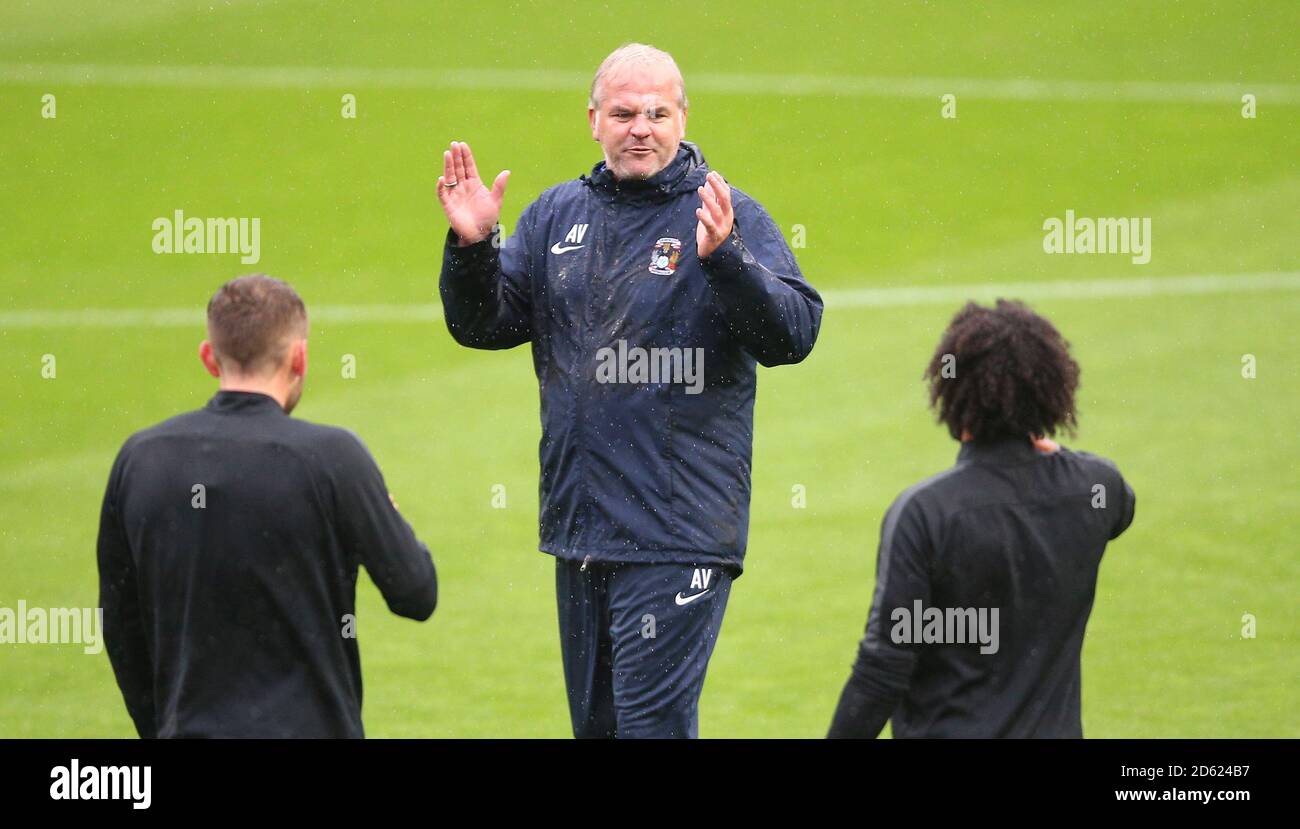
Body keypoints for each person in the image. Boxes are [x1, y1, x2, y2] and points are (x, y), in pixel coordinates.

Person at [436, 43, 822, 738]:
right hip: (582, 528)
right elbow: (481, 323)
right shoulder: (555, 216)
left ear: (682, 117)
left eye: (656, 112)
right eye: (623, 112)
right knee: (602, 730)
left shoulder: (723, 211)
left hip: (677, 531)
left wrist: (727, 260)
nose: (640, 126)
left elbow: (793, 334)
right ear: (593, 119)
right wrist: (472, 250)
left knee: (651, 727)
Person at [97, 274, 438, 738]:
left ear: (208, 357)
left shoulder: (141, 459)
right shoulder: (334, 458)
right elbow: (416, 594)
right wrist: (387, 516)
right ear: (298, 357)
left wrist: (160, 727)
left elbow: (121, 626)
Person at [828, 299, 1136, 738]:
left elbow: (883, 669)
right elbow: (1119, 503)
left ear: (952, 392)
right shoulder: (1094, 490)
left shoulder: (925, 514)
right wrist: (1050, 450)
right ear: (1052, 389)